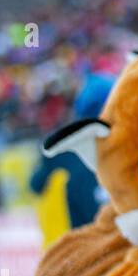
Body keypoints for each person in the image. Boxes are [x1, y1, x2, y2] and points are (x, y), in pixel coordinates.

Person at [29, 74, 113, 246]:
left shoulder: (60, 146)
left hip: (77, 248)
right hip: (112, 248)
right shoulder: (127, 144)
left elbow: (35, 185)